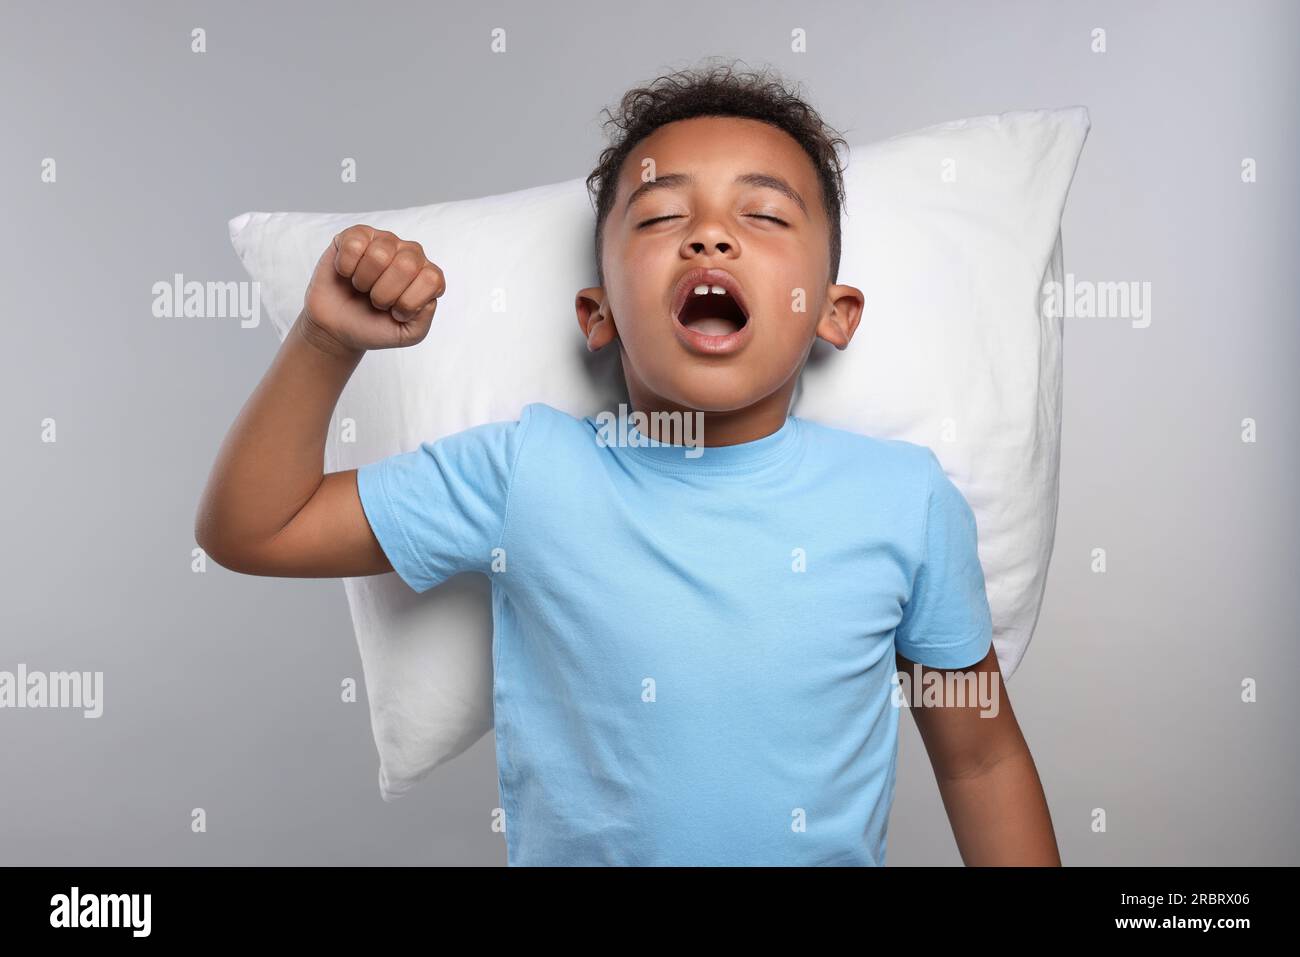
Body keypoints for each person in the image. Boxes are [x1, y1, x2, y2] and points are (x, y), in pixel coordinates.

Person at [195, 61, 1060, 866]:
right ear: (599, 315)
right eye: (659, 217)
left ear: (833, 313)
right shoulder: (527, 473)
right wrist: (325, 342)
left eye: (761, 215)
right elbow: (255, 528)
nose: (709, 239)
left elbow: (980, 761)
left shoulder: (904, 501)